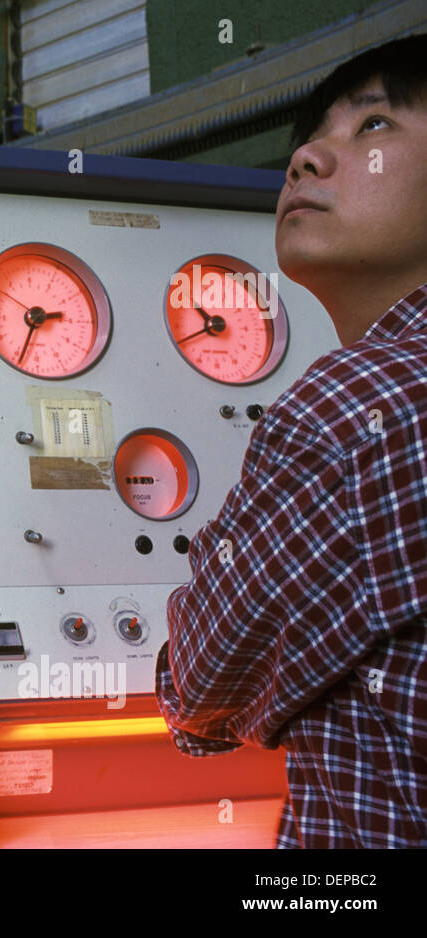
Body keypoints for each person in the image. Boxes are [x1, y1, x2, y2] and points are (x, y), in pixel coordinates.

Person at [155, 34, 427, 848]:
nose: (306, 158)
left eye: (373, 127)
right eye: (310, 139)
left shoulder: (357, 405)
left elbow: (202, 697)